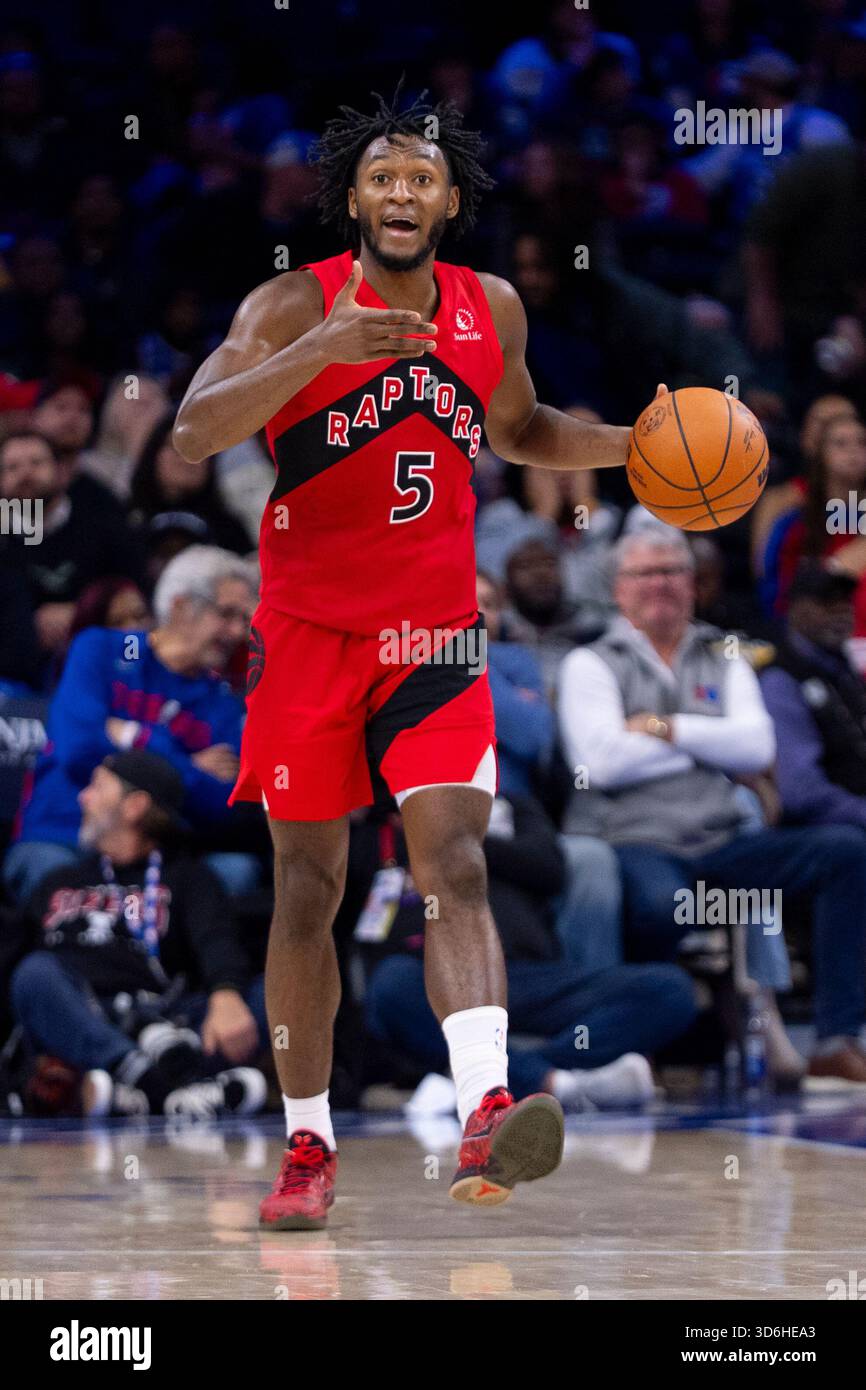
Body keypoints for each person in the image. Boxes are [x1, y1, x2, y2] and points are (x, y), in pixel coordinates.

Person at [173, 85, 664, 1227]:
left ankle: (485, 1104)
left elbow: (520, 428)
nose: (401, 191)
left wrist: (631, 447)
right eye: (381, 176)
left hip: (433, 631)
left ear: (449, 201)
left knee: (453, 862)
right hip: (305, 636)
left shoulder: (488, 305)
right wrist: (324, 347)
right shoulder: (293, 302)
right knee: (309, 891)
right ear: (352, 198)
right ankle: (306, 1143)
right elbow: (195, 427)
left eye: (422, 177)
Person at [558, 529, 866, 1087]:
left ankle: (835, 1039)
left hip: (723, 838)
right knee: (664, 904)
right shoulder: (591, 661)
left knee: (846, 851)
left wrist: (660, 727)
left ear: (694, 583)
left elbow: (758, 746)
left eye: (673, 571)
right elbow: (602, 762)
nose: (661, 584)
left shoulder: (725, 650)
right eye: (645, 574)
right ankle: (651, 1040)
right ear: (619, 589)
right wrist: (708, 748)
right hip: (636, 837)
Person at [10, 750, 267, 1118]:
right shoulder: (59, 881)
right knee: (35, 975)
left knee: (267, 995)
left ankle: (131, 1090)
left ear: (134, 806)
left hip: (168, 1020)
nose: (82, 797)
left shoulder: (187, 877)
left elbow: (218, 941)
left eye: (97, 787)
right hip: (86, 1018)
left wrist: (226, 996)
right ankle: (168, 1085)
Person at [3, 545, 257, 904]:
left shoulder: (222, 703)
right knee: (54, 880)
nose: (237, 632)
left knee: (235, 870)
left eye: (245, 620)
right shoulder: (111, 650)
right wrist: (184, 764)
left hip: (156, 856)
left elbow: (220, 806)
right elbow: (78, 750)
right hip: (65, 834)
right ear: (180, 606)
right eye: (227, 614)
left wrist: (135, 735)